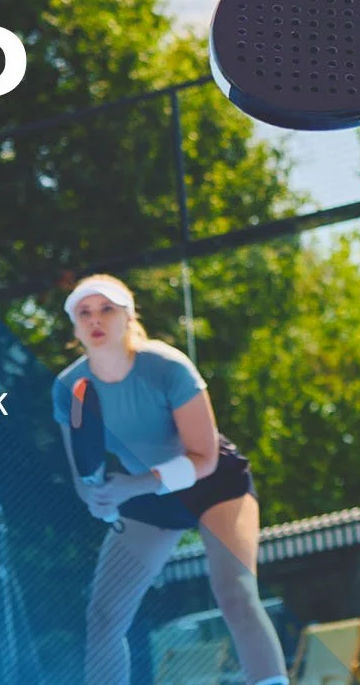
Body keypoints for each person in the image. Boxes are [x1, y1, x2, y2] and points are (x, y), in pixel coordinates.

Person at [54, 275, 285, 685]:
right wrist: (97, 498)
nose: (96, 320)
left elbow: (205, 458)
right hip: (146, 495)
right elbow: (82, 478)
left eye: (107, 309)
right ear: (74, 327)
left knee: (235, 595)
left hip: (214, 483)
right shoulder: (69, 388)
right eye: (84, 312)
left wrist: (129, 487)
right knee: (104, 615)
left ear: (128, 317)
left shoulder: (166, 366)